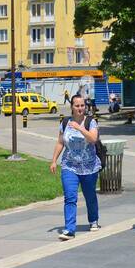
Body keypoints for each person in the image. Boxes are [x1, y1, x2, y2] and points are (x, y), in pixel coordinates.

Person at [50, 94, 101, 241]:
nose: (80, 108)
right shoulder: (65, 122)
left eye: (82, 105)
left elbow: (93, 139)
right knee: (70, 197)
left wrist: (79, 128)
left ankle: (93, 220)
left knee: (90, 195)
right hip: (69, 166)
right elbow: (60, 142)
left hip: (89, 167)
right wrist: (54, 160)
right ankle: (69, 229)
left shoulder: (91, 122)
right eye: (77, 106)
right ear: (71, 107)